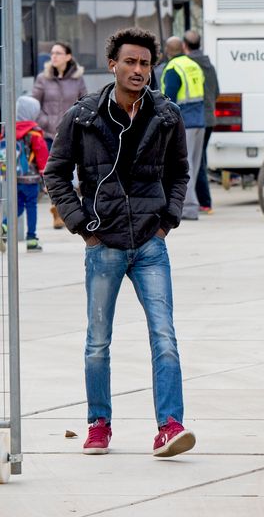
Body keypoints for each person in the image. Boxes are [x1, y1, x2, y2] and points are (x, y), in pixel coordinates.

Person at [44, 27, 195, 458]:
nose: (138, 70)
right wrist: (82, 226)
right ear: (113, 64)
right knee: (98, 342)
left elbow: (179, 173)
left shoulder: (166, 115)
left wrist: (167, 221)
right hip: (103, 243)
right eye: (130, 62)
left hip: (150, 243)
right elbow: (55, 174)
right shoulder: (85, 115)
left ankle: (170, 426)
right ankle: (98, 423)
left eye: (146, 64)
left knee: (164, 335)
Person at [32, 41, 87, 229]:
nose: (53, 56)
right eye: (52, 53)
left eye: (58, 53)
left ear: (68, 56)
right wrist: (45, 121)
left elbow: (85, 103)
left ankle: (62, 210)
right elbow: (34, 105)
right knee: (52, 174)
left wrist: (77, 123)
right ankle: (56, 209)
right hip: (48, 135)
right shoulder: (43, 78)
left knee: (70, 174)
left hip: (71, 134)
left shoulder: (78, 78)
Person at [161, 36, 205, 221]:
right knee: (192, 166)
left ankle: (189, 207)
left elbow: (168, 99)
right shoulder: (193, 65)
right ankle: (190, 204)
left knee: (183, 167)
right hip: (199, 121)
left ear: (167, 50)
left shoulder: (172, 68)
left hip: (184, 122)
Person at [2, 96, 49, 252]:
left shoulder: (8, 130)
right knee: (31, 206)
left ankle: (4, 226)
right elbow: (43, 158)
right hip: (30, 179)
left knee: (17, 206)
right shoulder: (34, 133)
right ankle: (31, 239)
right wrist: (46, 178)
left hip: (13, 177)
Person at [183, 30, 220, 214]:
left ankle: (203, 201)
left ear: (185, 45)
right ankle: (203, 201)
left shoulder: (187, 65)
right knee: (200, 159)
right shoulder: (209, 65)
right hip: (209, 117)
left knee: (197, 161)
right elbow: (217, 91)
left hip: (194, 117)